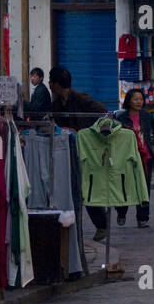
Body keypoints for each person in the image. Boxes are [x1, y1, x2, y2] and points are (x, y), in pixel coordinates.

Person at [47, 67, 111, 241]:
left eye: (51, 81)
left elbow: (103, 112)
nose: (49, 84)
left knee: (86, 188)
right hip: (67, 150)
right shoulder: (57, 103)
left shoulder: (79, 98)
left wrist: (96, 136)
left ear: (57, 83)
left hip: (86, 149)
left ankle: (101, 223)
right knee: (77, 187)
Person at [114, 87, 154, 228]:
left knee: (144, 188)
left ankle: (142, 218)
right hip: (128, 159)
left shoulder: (146, 116)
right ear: (129, 101)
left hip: (145, 157)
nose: (138, 102)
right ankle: (121, 212)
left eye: (141, 99)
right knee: (124, 187)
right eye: (135, 99)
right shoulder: (121, 118)